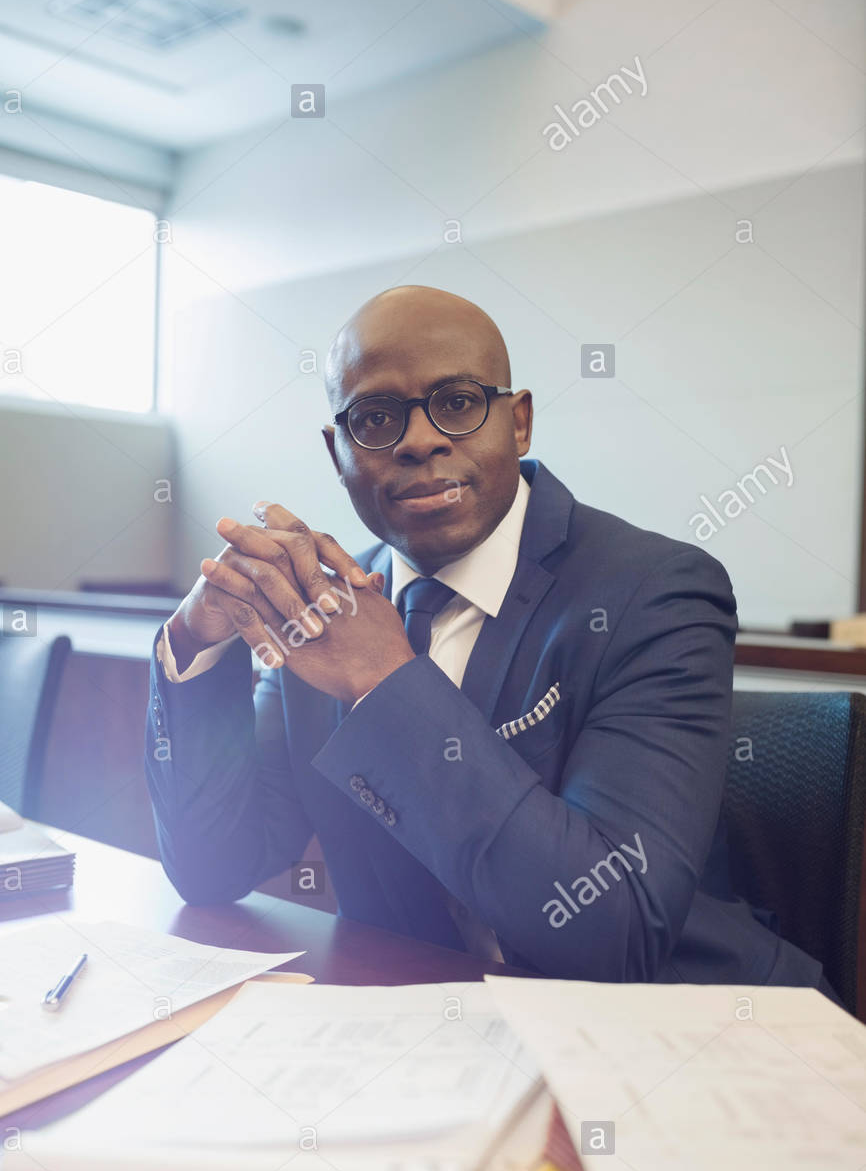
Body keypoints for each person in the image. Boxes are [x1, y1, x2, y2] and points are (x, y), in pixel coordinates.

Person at [146, 284, 829, 989]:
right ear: (338, 451)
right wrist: (198, 639)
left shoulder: (657, 592)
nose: (419, 440)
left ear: (520, 421)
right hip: (437, 1037)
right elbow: (211, 869)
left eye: (458, 402)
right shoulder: (324, 608)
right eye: (376, 418)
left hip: (686, 1032)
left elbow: (614, 933)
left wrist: (386, 681)